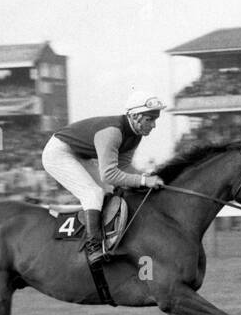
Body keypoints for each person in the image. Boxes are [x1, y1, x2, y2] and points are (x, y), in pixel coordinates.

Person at [41, 91, 166, 264]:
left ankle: (110, 239)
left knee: (109, 191)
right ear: (136, 116)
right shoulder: (112, 132)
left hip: (79, 155)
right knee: (93, 193)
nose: (153, 125)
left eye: (155, 120)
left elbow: (124, 167)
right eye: (150, 119)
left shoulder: (135, 135)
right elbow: (108, 174)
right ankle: (93, 247)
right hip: (58, 153)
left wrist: (146, 176)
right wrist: (144, 181)